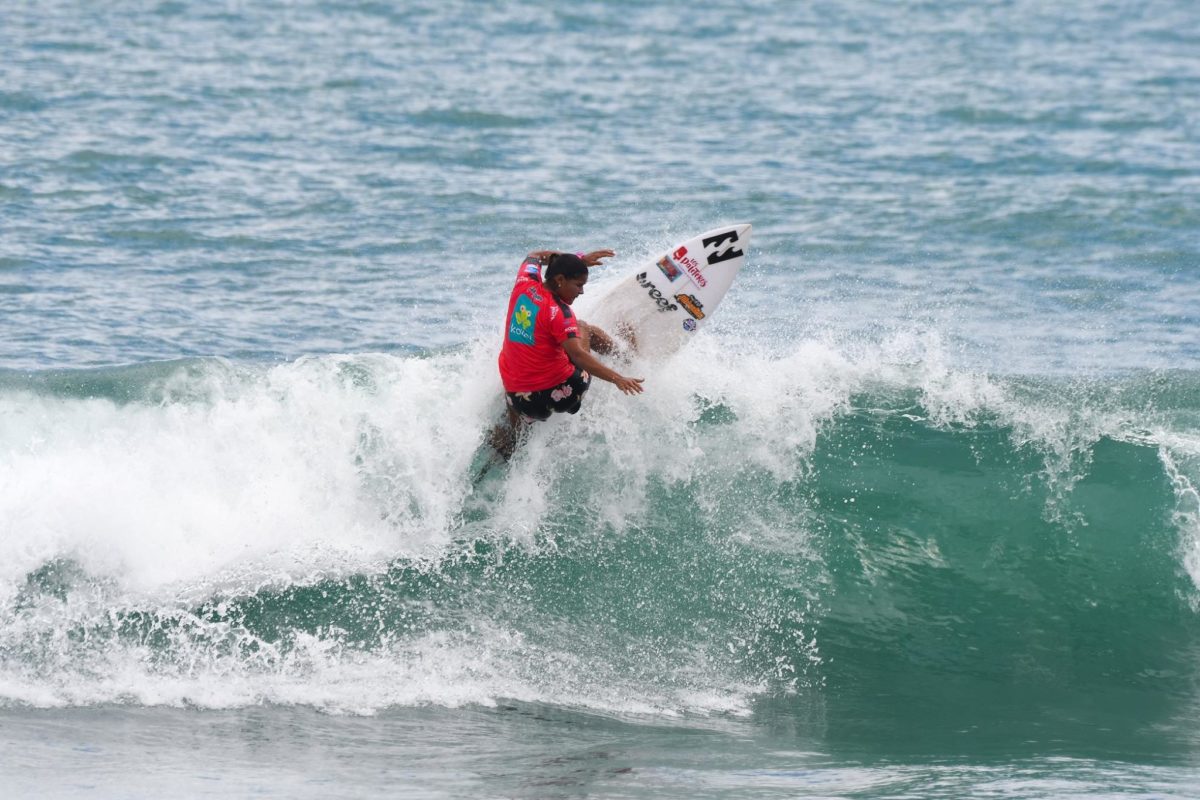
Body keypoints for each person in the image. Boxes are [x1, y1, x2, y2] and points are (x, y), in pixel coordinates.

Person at [491, 248, 644, 459]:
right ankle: (627, 356)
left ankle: (512, 442)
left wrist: (578, 259)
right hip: (565, 394)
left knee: (519, 376)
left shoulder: (524, 281)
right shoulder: (559, 314)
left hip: (520, 401)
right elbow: (579, 356)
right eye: (579, 285)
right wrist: (618, 379)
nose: (581, 292)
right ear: (560, 279)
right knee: (583, 328)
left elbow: (535, 255)